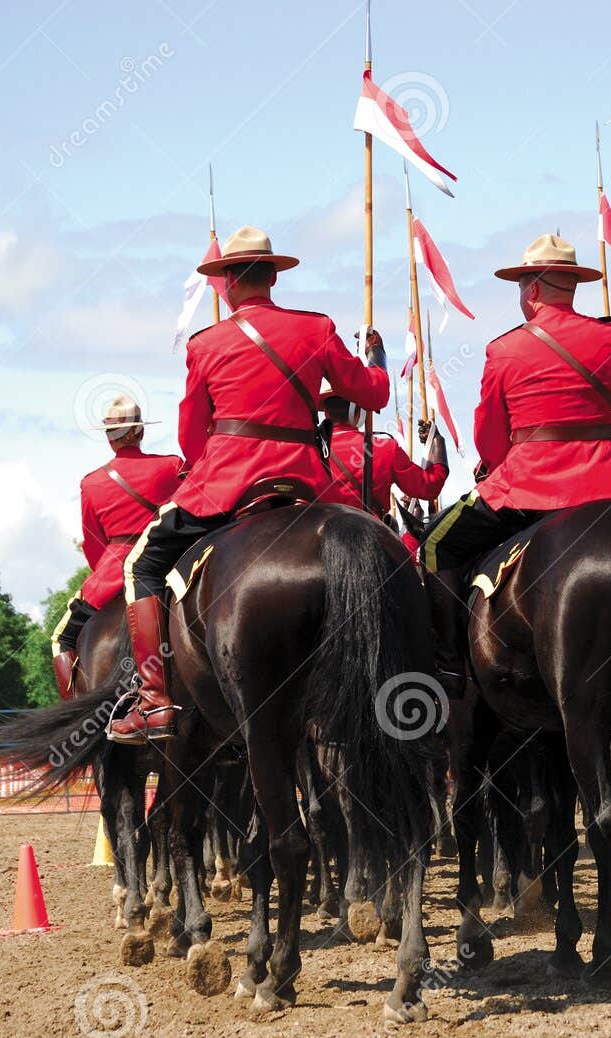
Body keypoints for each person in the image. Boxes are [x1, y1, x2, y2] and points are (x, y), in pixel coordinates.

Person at [109, 226, 389, 744]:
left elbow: (192, 433)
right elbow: (371, 396)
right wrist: (378, 363)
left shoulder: (206, 344)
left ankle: (153, 702)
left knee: (140, 564)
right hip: (307, 480)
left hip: (226, 484)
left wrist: (206, 464)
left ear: (231, 281)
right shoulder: (317, 327)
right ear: (273, 276)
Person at [420, 233, 611, 693]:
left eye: (522, 285)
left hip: (524, 490)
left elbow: (490, 438)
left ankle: (448, 666)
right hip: (607, 490)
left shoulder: (503, 351)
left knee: (436, 544)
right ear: (571, 286)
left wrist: (495, 466)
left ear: (533, 290)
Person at [50, 396, 182, 701]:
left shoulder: (92, 483)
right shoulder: (171, 466)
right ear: (140, 432)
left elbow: (93, 543)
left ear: (109, 438)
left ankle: (74, 715)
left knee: (61, 639)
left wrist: (106, 573)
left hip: (113, 575)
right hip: (167, 563)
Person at [317, 386, 449, 517]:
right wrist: (437, 442)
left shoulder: (309, 449)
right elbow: (429, 487)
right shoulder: (385, 448)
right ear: (358, 410)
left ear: (326, 413)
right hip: (370, 531)